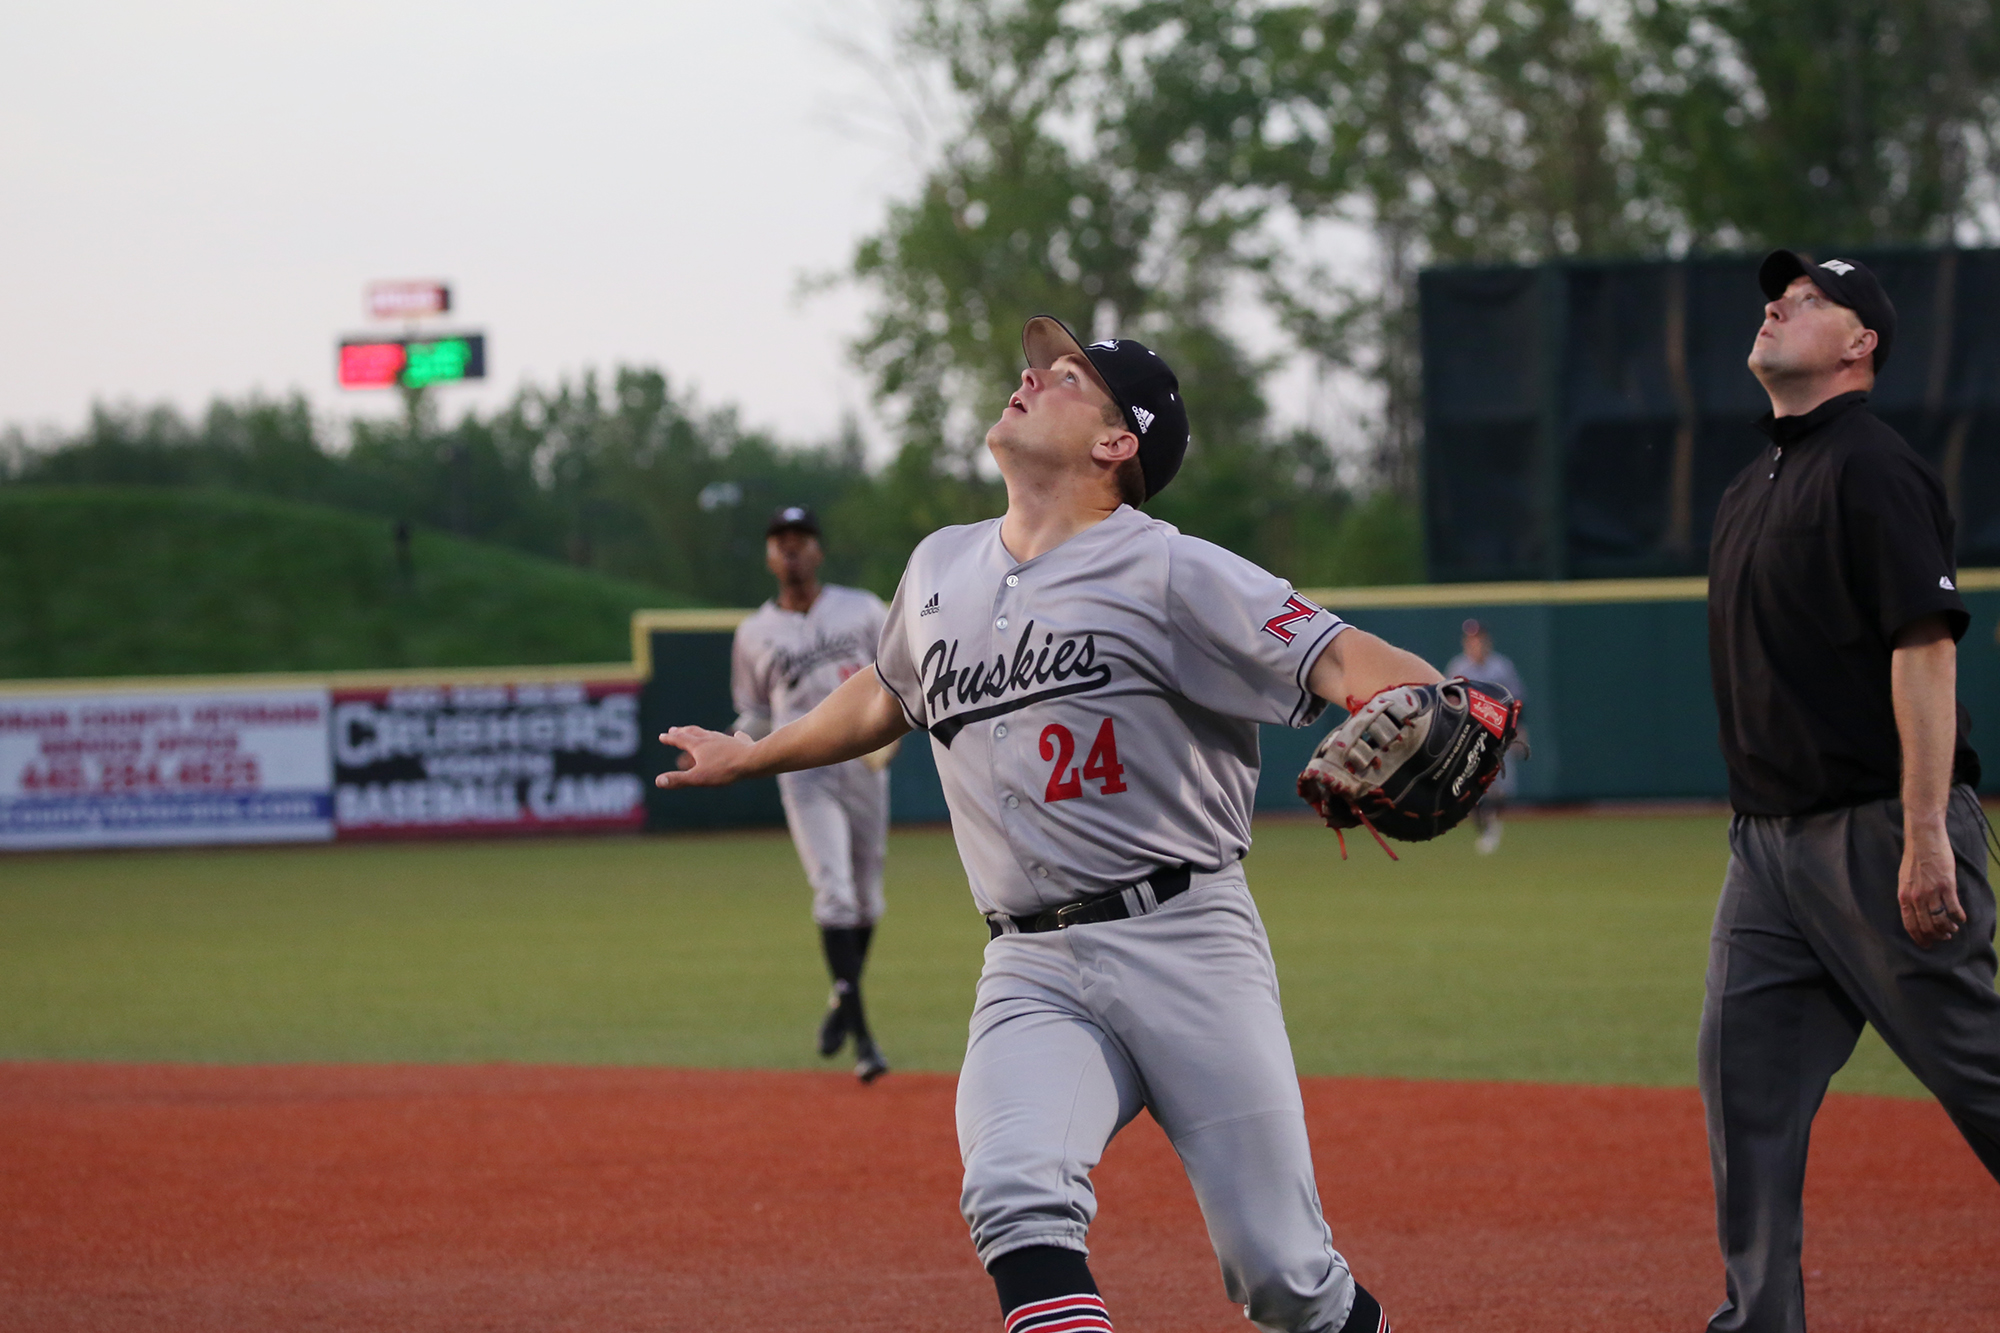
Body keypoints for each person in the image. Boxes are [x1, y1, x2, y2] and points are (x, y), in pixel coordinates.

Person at [661, 315, 1436, 1333]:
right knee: (1014, 1192)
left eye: (1066, 376)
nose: (1030, 379)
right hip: (1028, 962)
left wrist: (1433, 696)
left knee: (1283, 1275)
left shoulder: (1170, 569)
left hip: (1184, 941)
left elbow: (1342, 661)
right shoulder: (939, 566)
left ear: (1118, 444)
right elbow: (885, 694)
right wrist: (752, 751)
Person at [1700, 250, 2000, 1331]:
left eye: (1810, 298)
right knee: (1744, 1100)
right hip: (1765, 856)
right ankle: (1758, 1320)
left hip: (1878, 832)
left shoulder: (1872, 467)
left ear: (1857, 342)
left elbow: (1923, 648)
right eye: (1776, 293)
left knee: (1979, 1072)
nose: (1777, 303)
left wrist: (1925, 834)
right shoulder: (1751, 484)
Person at [728, 505, 894, 1084]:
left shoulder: (863, 608)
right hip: (804, 769)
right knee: (836, 895)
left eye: (801, 539)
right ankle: (865, 1040)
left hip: (864, 764)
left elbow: (906, 669)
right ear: (771, 556)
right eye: (781, 541)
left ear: (818, 551)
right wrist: (729, 745)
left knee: (869, 901)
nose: (791, 549)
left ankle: (840, 1001)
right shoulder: (754, 632)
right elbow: (752, 711)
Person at [1444, 618, 1524, 853]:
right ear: (1465, 642)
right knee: (1470, 788)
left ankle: (1493, 825)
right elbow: (1448, 703)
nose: (1475, 643)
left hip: (1498, 734)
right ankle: (1486, 831)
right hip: (1470, 735)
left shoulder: (1501, 667)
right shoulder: (1458, 667)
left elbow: (1518, 702)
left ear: (1486, 641)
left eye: (1479, 639)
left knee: (1501, 790)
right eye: (1471, 640)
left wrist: (1520, 732)